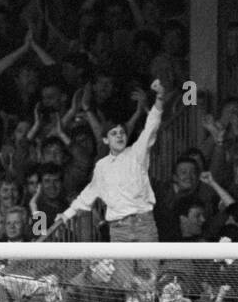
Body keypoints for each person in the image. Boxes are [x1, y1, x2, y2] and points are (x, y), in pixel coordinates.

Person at [53, 79, 165, 244]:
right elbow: (87, 195)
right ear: (105, 140)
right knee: (121, 264)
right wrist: (66, 215)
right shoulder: (101, 166)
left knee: (148, 263)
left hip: (143, 224)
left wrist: (160, 97)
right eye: (114, 133)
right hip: (118, 229)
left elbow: (152, 126)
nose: (119, 136)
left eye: (122, 133)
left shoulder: (137, 152)